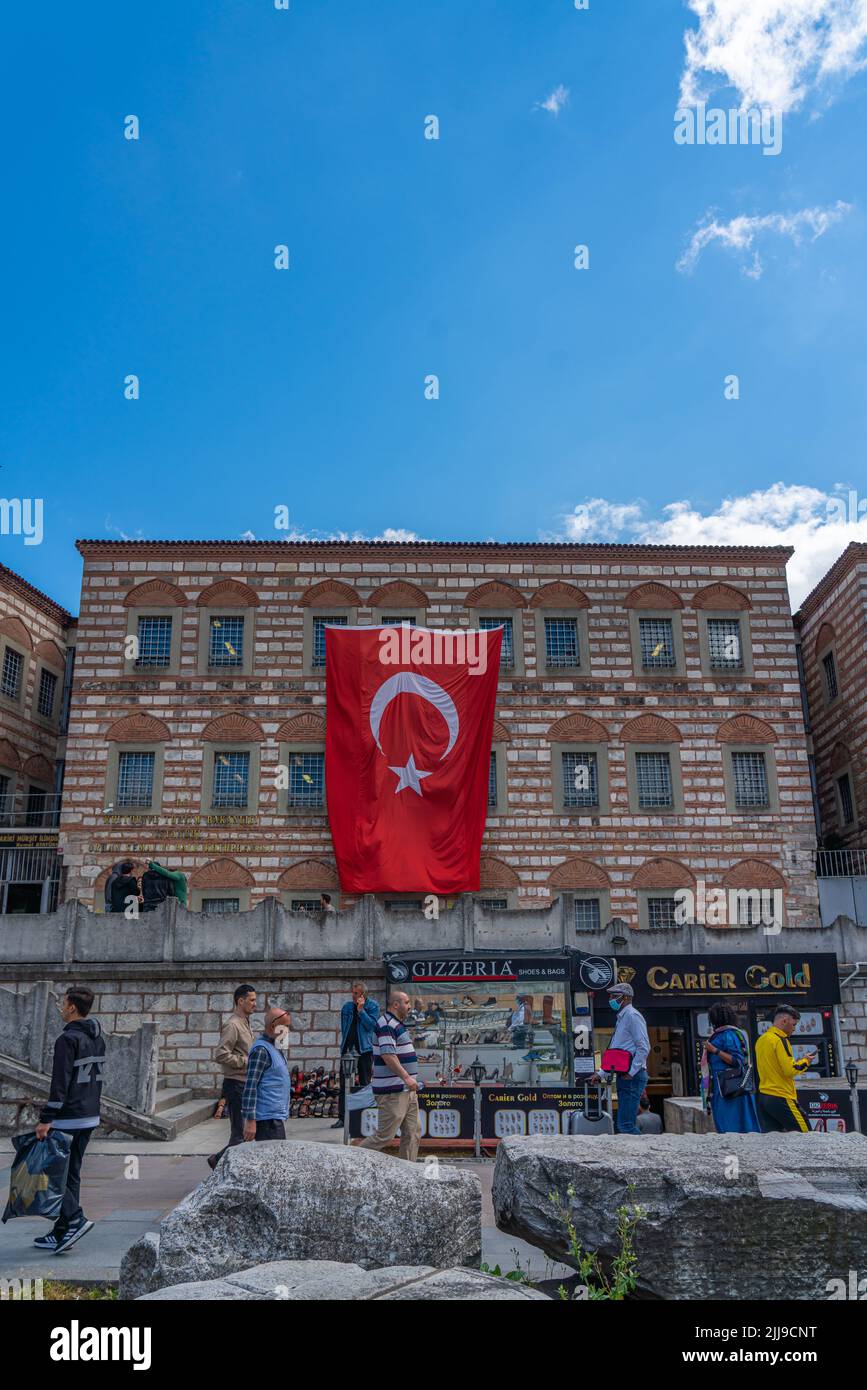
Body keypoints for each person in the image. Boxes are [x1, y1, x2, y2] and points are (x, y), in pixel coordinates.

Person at [33, 986, 106, 1254]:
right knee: (71, 1172)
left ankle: (75, 1219)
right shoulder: (97, 1038)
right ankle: (62, 1229)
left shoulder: (67, 1039)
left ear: (72, 1007)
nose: (61, 1008)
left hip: (68, 1118)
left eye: (63, 1003)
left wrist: (46, 1118)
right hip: (89, 1115)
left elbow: (60, 1083)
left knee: (54, 1174)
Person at [358, 990, 420, 1162]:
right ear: (395, 1004)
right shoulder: (386, 1024)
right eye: (407, 1002)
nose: (409, 1006)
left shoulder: (396, 1024)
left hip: (405, 1089)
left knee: (412, 1133)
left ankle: (409, 1171)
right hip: (393, 1090)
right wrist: (407, 1077)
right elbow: (388, 1055)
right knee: (384, 1135)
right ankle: (348, 1161)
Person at [208, 984, 257, 1169]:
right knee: (239, 1135)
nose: (255, 1003)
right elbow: (221, 1054)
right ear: (240, 1001)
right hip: (236, 1085)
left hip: (243, 1084)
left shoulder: (245, 1022)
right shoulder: (233, 1025)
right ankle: (219, 1162)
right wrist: (246, 1062)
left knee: (243, 1134)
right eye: (252, 1000)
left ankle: (221, 1162)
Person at [591, 982, 650, 1135]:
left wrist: (631, 1072)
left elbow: (644, 1047)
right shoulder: (622, 1017)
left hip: (632, 1076)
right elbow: (617, 1053)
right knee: (625, 1124)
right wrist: (601, 1073)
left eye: (614, 996)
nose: (610, 999)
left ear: (625, 997)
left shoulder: (632, 1016)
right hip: (626, 1075)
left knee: (626, 1125)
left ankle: (644, 1149)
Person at [754, 1004, 816, 1132]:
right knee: (806, 1134)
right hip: (781, 1096)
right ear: (784, 1021)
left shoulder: (762, 1039)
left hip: (764, 1097)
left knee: (774, 1139)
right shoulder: (780, 1040)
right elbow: (790, 1070)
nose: (794, 1029)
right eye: (793, 1024)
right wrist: (806, 1061)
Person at [701, 1003, 761, 1134]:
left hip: (730, 1090)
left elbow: (738, 1061)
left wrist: (714, 1050)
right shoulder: (722, 1034)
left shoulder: (729, 1035)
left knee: (730, 1126)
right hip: (722, 1087)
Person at [331, 981, 379, 1128]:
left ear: (363, 994)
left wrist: (361, 1011)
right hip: (348, 1050)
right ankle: (342, 1117)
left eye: (356, 993)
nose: (353, 995)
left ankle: (364, 1117)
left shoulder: (373, 1006)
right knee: (344, 1084)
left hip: (365, 1050)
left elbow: (372, 1026)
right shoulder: (347, 1007)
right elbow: (345, 1027)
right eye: (352, 992)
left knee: (365, 1083)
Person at [241, 1004, 292, 1142]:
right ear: (273, 1026)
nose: (287, 1031)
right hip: (267, 1119)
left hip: (275, 1116)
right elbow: (251, 1086)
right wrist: (250, 1120)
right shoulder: (261, 1051)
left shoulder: (275, 1046)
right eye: (285, 1027)